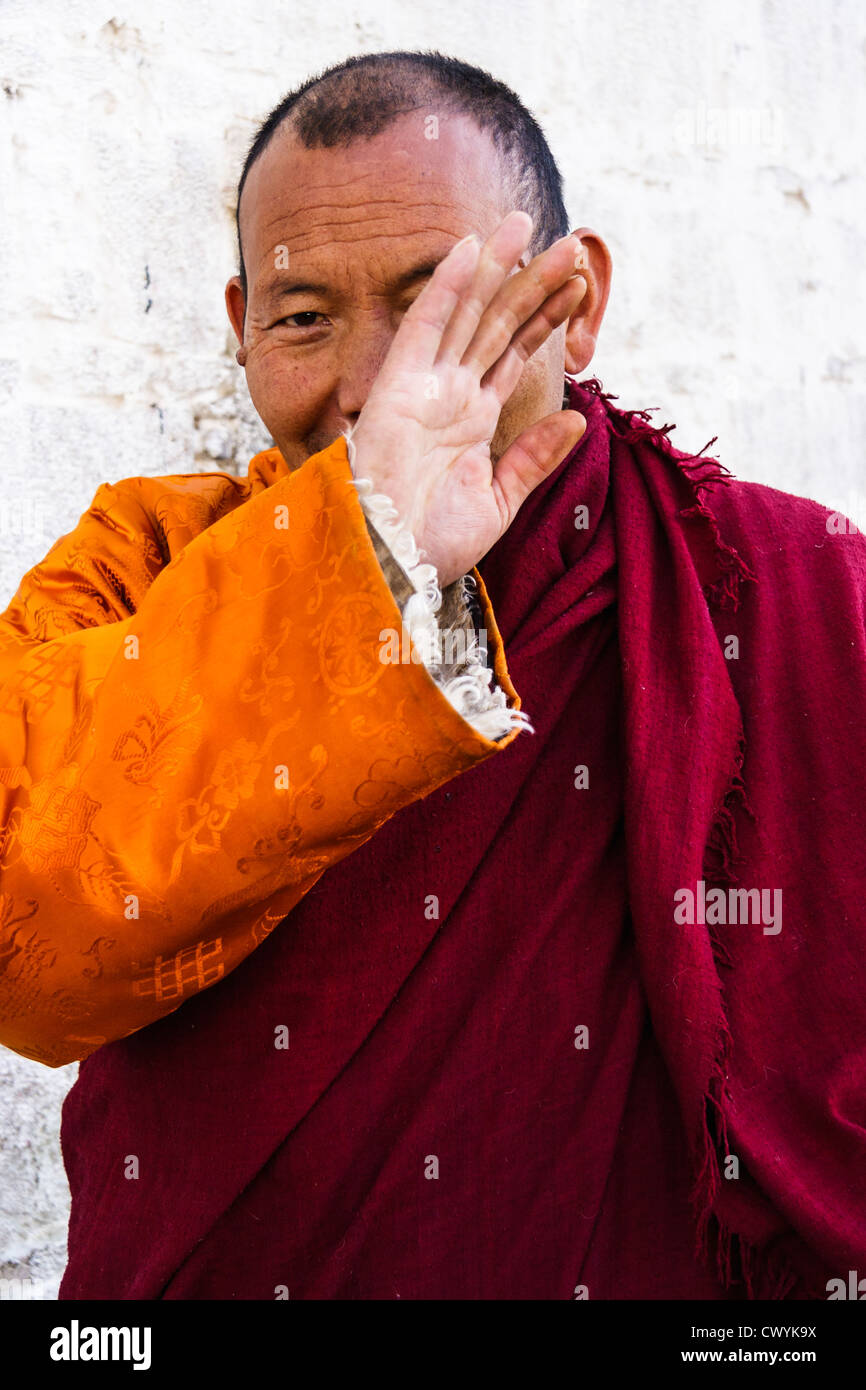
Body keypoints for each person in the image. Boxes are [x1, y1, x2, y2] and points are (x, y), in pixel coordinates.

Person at [1, 50, 864, 1301]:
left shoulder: (795, 590)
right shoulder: (143, 565)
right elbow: (27, 951)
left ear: (573, 302)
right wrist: (361, 567)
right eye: (303, 319)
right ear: (239, 328)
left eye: (436, 310)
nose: (372, 395)